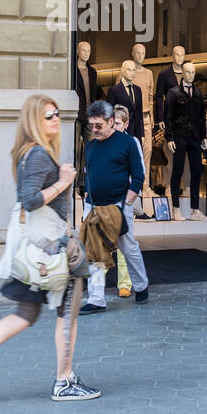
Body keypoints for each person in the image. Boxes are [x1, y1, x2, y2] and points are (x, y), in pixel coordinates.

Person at [0, 95, 99, 404]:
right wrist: (64, 181)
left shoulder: (27, 154)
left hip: (37, 250)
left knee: (26, 313)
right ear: (34, 121)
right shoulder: (39, 155)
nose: (56, 119)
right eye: (48, 116)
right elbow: (30, 200)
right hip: (55, 250)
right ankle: (64, 380)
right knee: (67, 312)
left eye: (57, 113)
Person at [80, 100, 150, 314]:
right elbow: (88, 173)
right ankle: (97, 298)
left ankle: (141, 286)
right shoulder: (91, 146)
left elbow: (139, 175)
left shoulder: (127, 143)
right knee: (94, 250)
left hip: (119, 205)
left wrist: (127, 202)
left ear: (111, 122)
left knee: (128, 248)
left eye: (98, 125)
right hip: (93, 206)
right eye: (92, 125)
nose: (94, 130)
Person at [165, 61, 207, 222]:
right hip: (179, 135)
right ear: (182, 73)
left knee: (197, 170)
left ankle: (195, 210)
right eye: (188, 72)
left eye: (193, 72)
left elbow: (202, 116)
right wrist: (169, 137)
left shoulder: (197, 93)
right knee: (178, 170)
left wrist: (204, 136)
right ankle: (176, 208)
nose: (191, 75)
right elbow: (168, 116)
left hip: (195, 137)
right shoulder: (173, 93)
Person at [112, 105, 135, 297]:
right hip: (105, 200)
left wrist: (128, 200)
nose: (114, 126)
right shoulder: (102, 140)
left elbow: (139, 174)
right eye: (112, 122)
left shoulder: (132, 142)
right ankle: (94, 284)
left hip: (124, 199)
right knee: (100, 243)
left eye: (118, 123)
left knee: (124, 245)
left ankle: (125, 283)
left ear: (125, 124)